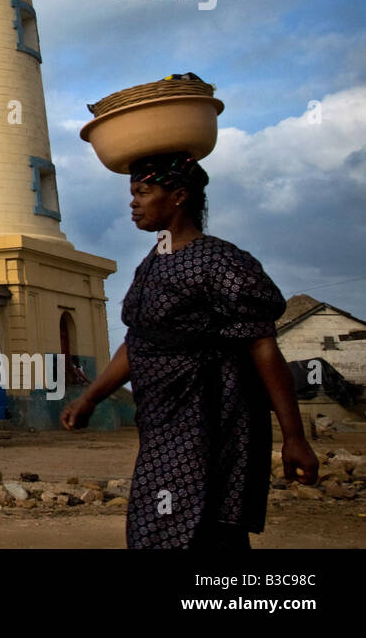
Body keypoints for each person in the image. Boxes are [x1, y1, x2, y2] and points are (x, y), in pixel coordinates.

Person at [61, 151, 318, 549]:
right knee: (162, 525)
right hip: (163, 424)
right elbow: (139, 343)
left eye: (143, 192)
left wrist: (294, 437)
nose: (133, 202)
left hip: (214, 420)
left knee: (200, 527)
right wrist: (90, 398)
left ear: (179, 196)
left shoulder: (221, 261)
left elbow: (262, 347)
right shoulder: (151, 264)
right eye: (133, 192)